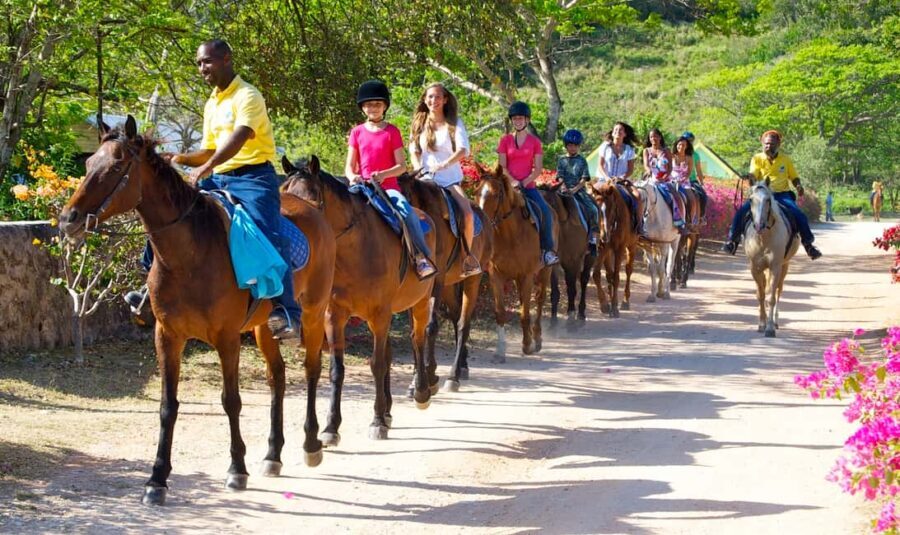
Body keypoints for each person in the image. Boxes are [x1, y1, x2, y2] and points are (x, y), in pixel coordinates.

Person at [124, 39, 302, 339]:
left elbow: (241, 137)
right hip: (218, 176)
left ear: (226, 59)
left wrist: (205, 168)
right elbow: (209, 149)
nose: (202, 68)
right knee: (166, 215)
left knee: (267, 233)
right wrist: (180, 158)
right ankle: (147, 291)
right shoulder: (212, 102)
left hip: (253, 178)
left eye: (207, 61)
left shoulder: (248, 95)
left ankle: (286, 311)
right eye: (198, 63)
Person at [346, 79, 437, 280]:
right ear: (362, 108)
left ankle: (420, 257)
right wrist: (354, 177)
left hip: (387, 188)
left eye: (377, 104)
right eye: (368, 105)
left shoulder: (392, 131)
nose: (373, 108)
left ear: (385, 106)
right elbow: (349, 167)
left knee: (407, 213)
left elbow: (402, 166)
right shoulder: (357, 132)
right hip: (362, 188)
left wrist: (383, 175)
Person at [408, 82, 481, 277]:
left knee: (467, 214)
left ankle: (467, 258)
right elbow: (413, 150)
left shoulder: (454, 123)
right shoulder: (418, 123)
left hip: (449, 181)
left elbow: (463, 150)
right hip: (423, 180)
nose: (434, 100)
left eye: (438, 97)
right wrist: (418, 169)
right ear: (425, 99)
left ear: (445, 99)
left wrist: (444, 164)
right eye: (430, 97)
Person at [721, 130, 822, 259]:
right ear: (762, 144)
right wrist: (749, 176)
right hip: (762, 195)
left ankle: (808, 245)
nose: (768, 146)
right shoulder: (757, 158)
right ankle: (732, 241)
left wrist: (798, 186)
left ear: (778, 144)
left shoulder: (785, 160)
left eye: (772, 144)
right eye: (766, 144)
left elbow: (794, 177)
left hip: (782, 195)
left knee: (799, 215)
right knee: (741, 212)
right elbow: (754, 174)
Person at [497, 101, 558, 266]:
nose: (517, 121)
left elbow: (537, 169)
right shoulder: (504, 140)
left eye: (521, 118)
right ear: (512, 120)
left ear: (527, 120)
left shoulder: (535, 142)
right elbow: (502, 166)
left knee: (545, 212)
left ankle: (547, 251)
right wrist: (513, 181)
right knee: (489, 208)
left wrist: (524, 182)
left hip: (528, 187)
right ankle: (488, 251)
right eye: (515, 118)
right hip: (508, 187)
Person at [556, 128, 600, 256]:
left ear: (579, 146)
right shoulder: (561, 160)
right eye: (570, 145)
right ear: (566, 146)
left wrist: (574, 189)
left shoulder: (582, 160)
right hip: (563, 189)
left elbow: (584, 178)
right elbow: (559, 176)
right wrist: (563, 186)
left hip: (579, 190)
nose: (573, 148)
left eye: (575, 145)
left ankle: (592, 238)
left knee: (593, 209)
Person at [643, 128, 686, 232]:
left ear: (660, 137)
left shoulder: (666, 151)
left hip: (664, 180)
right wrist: (649, 171)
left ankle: (678, 222)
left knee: (674, 196)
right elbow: (646, 165)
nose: (653, 138)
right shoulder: (646, 151)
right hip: (650, 179)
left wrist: (664, 177)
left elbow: (670, 168)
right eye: (651, 137)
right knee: (639, 195)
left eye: (655, 136)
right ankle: (637, 224)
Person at [672, 136, 698, 225]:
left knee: (692, 199)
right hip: (671, 181)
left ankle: (690, 220)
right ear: (676, 145)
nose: (681, 147)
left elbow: (689, 172)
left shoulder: (689, 158)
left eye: (683, 145)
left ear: (686, 146)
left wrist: (682, 179)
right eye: (679, 144)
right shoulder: (671, 156)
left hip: (684, 182)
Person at [682, 131, 708, 221]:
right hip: (677, 180)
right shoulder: (677, 153)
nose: (689, 143)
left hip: (691, 180)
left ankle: (701, 216)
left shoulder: (695, 155)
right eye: (686, 140)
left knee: (703, 195)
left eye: (690, 141)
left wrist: (701, 182)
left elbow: (699, 171)